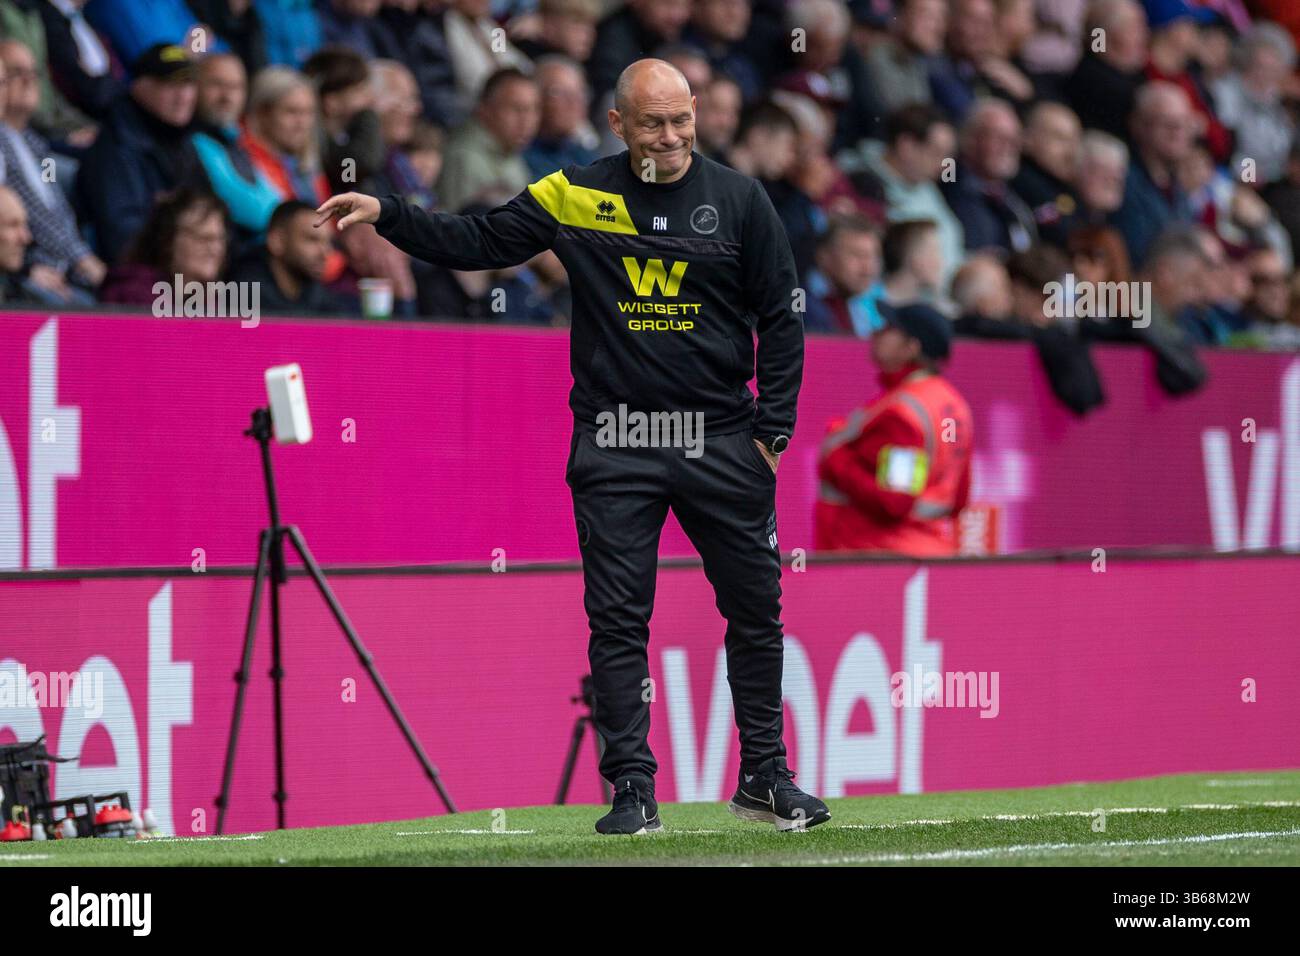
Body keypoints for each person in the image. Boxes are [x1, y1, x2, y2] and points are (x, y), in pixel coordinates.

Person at [315, 57, 826, 835]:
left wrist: (774, 433)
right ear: (617, 125)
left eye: (682, 119)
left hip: (723, 440)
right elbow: (477, 240)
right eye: (653, 123)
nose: (671, 137)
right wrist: (389, 210)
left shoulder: (740, 200)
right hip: (617, 443)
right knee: (619, 622)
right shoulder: (574, 192)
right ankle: (631, 790)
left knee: (756, 612)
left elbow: (782, 319)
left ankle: (765, 775)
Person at [815, 302, 973, 555]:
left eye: (889, 328)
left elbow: (894, 501)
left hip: (880, 558)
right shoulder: (953, 404)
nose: (876, 333)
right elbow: (959, 499)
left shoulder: (904, 412)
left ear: (912, 347)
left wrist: (837, 460)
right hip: (925, 555)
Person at [230, 200, 338, 314]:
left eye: (328, 242)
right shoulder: (243, 293)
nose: (326, 252)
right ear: (277, 241)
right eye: (312, 239)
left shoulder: (315, 291)